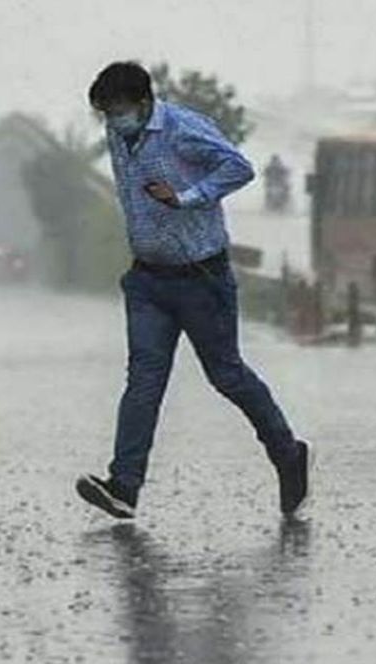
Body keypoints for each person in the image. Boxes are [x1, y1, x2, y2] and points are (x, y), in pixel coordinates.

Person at [75, 61, 311, 520]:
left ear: (144, 103)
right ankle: (124, 485)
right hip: (147, 280)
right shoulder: (118, 136)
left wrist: (187, 197)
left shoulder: (182, 129)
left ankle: (289, 455)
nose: (112, 120)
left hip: (201, 278)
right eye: (105, 113)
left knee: (227, 375)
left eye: (118, 110)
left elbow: (239, 168)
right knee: (143, 381)